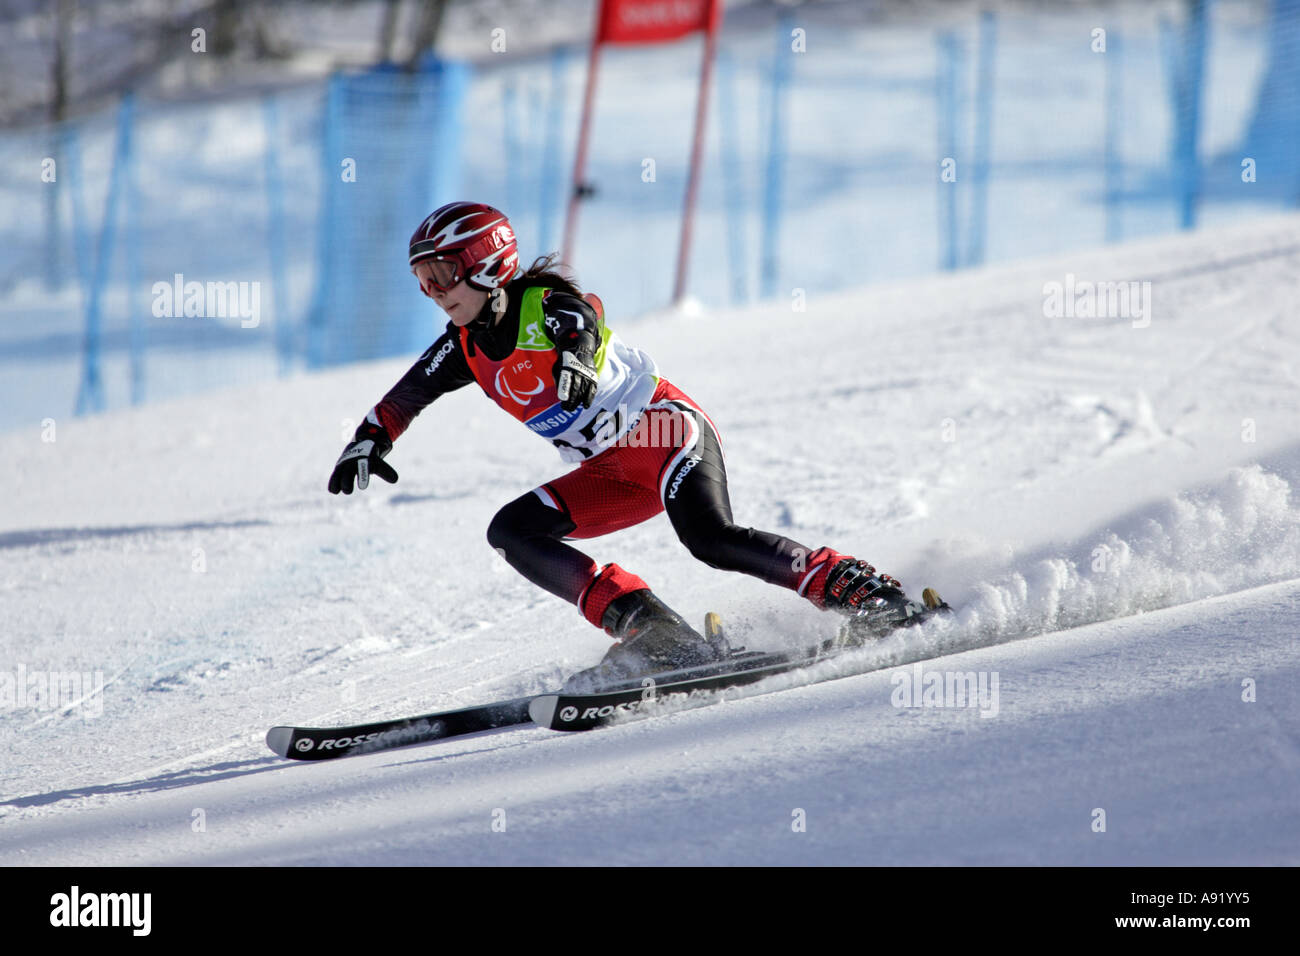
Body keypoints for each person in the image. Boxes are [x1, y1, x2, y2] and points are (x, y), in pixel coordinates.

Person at [328, 201, 911, 680]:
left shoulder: (542, 306)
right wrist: (369, 439)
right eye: (422, 283)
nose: (434, 292)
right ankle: (652, 629)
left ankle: (860, 591)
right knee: (511, 531)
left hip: (664, 431)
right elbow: (406, 395)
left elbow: (578, 319)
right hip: (610, 472)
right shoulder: (463, 347)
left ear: (486, 265)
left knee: (709, 537)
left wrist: (577, 363)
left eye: (442, 275)